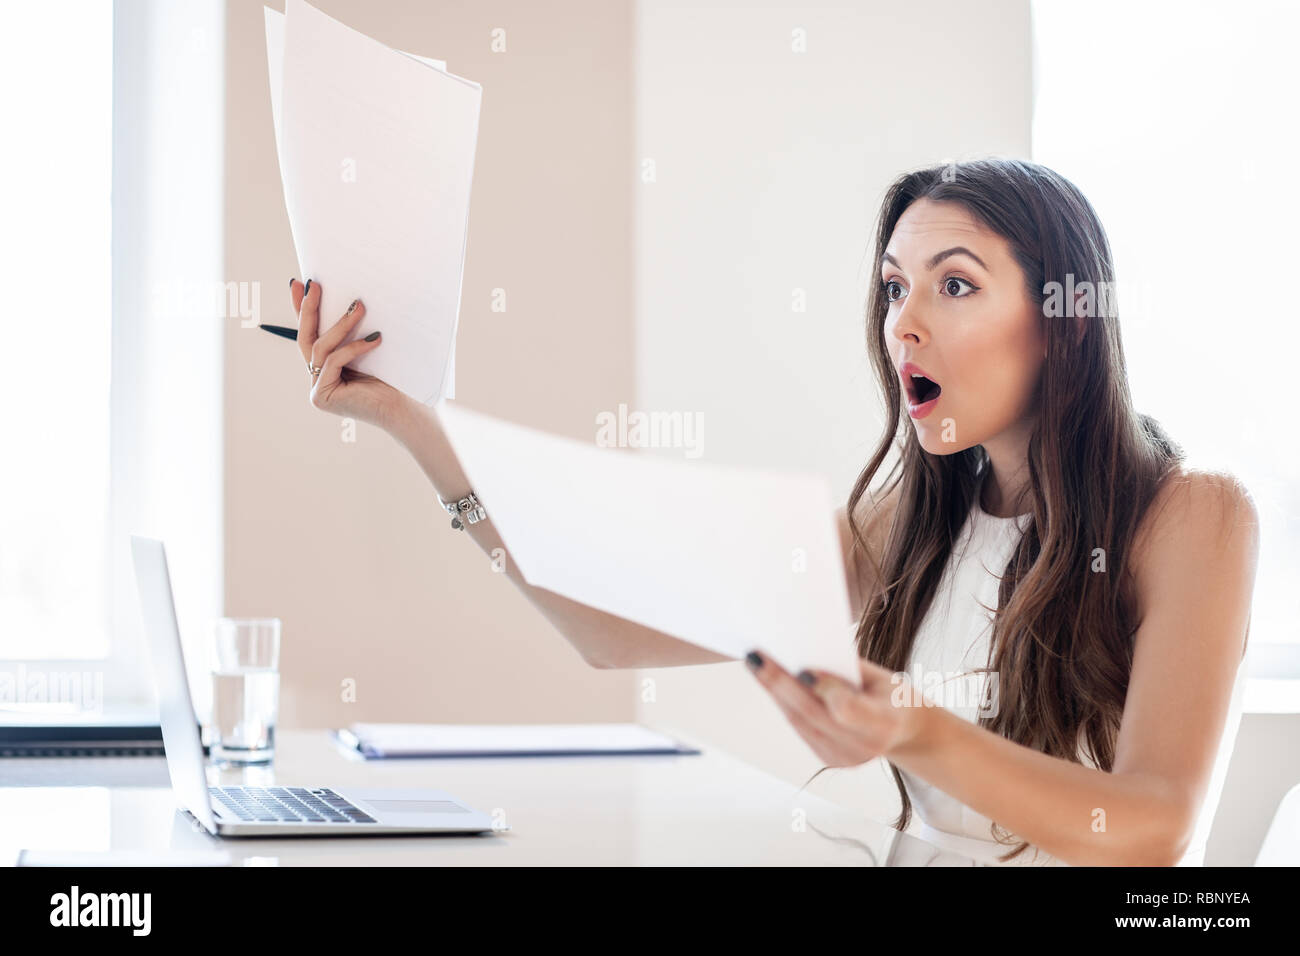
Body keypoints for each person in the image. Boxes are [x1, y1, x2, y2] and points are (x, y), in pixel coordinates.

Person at [284, 157, 1258, 867]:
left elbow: (1151, 827)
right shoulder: (904, 523)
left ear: (1062, 321)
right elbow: (609, 631)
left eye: (953, 284)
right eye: (892, 288)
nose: (902, 323)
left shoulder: (1191, 515)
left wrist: (913, 730)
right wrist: (414, 426)